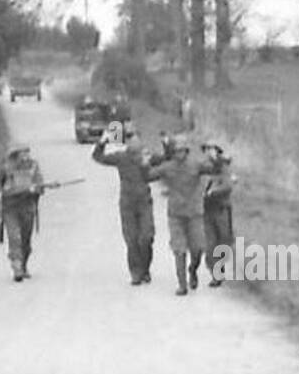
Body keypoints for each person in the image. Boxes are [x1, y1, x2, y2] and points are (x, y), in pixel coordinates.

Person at [146, 134, 218, 296]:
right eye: (176, 151)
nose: (179, 154)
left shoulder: (195, 165)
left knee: (198, 248)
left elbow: (213, 168)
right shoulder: (168, 166)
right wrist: (149, 161)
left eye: (182, 151)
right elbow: (148, 175)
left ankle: (192, 269)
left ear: (187, 151)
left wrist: (215, 158)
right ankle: (182, 284)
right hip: (176, 214)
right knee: (179, 249)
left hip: (194, 213)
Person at [91, 126, 155, 284]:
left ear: (140, 141)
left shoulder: (147, 157)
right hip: (127, 203)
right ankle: (135, 272)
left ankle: (145, 269)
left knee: (146, 238)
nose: (132, 141)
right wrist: (102, 142)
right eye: (129, 138)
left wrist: (167, 144)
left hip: (144, 202)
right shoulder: (121, 157)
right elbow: (98, 157)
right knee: (131, 239)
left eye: (135, 137)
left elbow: (167, 159)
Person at [0, 142, 43, 281]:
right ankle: (17, 268)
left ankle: (24, 265)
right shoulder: (6, 166)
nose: (25, 156)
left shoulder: (33, 166)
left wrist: (35, 189)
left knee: (25, 239)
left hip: (27, 207)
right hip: (10, 207)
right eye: (22, 153)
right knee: (14, 237)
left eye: (27, 153)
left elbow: (40, 183)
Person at [201, 143, 235, 287]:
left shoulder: (223, 167)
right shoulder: (204, 167)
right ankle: (216, 274)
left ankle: (220, 269)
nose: (209, 152)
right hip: (207, 210)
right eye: (207, 150)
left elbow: (227, 186)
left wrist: (212, 192)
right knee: (210, 244)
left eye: (212, 149)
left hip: (221, 209)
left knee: (223, 241)